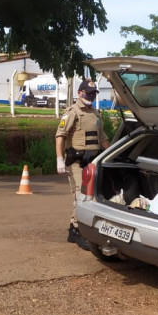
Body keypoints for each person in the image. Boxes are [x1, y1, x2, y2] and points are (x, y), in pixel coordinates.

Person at [55, 79, 110, 250]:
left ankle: (75, 229)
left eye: (93, 94)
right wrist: (59, 159)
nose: (91, 96)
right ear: (79, 93)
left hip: (92, 161)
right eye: (88, 93)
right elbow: (60, 135)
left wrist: (112, 155)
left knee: (91, 196)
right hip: (77, 162)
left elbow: (103, 138)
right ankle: (76, 230)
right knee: (81, 196)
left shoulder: (95, 113)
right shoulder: (72, 112)